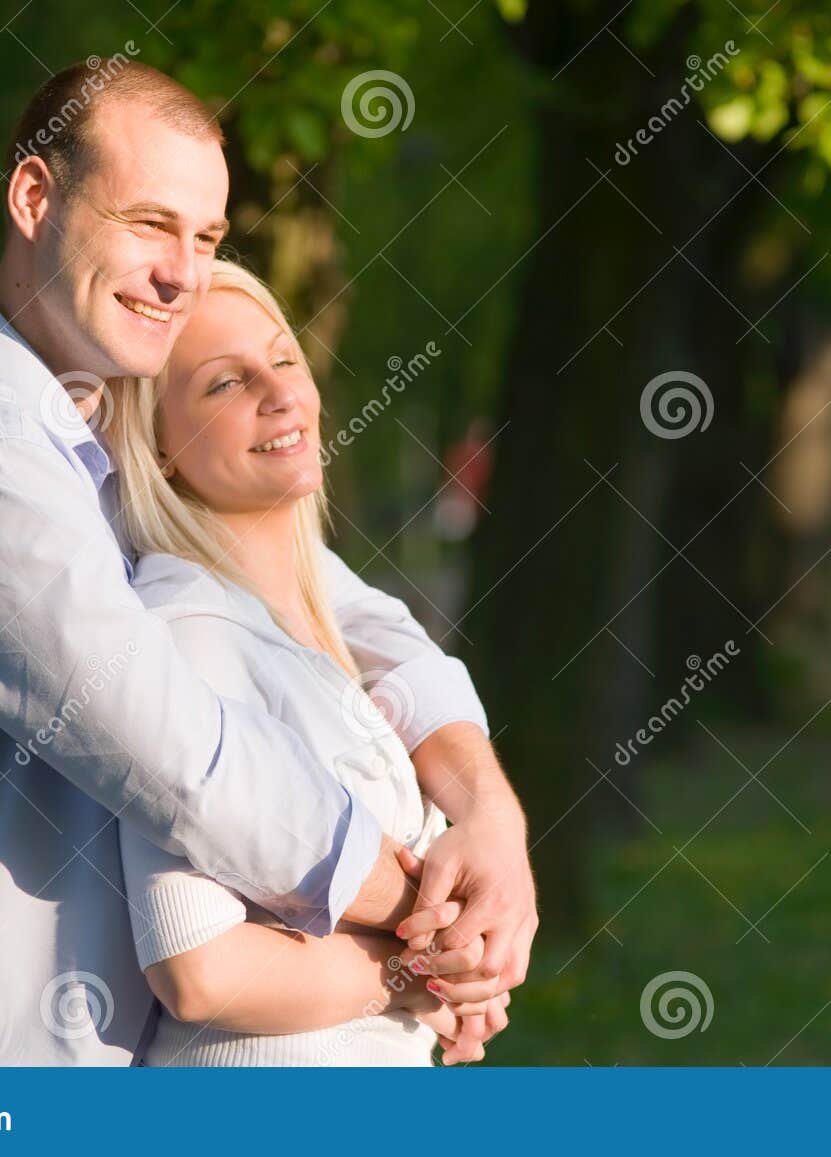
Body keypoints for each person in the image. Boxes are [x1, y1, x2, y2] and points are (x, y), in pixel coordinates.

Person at [0, 60, 534, 1066]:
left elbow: (346, 614)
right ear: (35, 197)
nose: (182, 270)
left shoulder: (91, 459)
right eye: (148, 223)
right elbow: (188, 763)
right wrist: (435, 922)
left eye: (207, 237)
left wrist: (489, 819)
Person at [106, 260, 509, 1065]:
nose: (279, 391)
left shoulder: (311, 612)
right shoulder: (186, 632)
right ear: (160, 445)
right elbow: (199, 970)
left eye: (284, 357)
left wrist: (474, 935)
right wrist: (416, 972)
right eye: (224, 383)